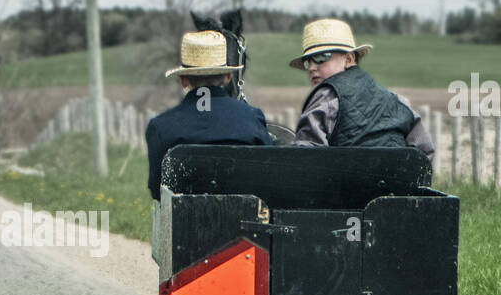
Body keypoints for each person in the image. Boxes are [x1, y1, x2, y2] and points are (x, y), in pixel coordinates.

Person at [146, 30, 273, 200]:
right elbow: (269, 176)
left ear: (183, 79)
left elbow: (157, 191)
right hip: (244, 222)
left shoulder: (160, 127)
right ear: (228, 77)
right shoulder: (252, 118)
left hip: (184, 223)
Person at [289, 19, 434, 159]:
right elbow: (424, 152)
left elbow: (306, 156)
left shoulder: (326, 97)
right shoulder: (396, 100)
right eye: (307, 62)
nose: (312, 67)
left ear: (349, 59)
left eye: (321, 57)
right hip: (397, 182)